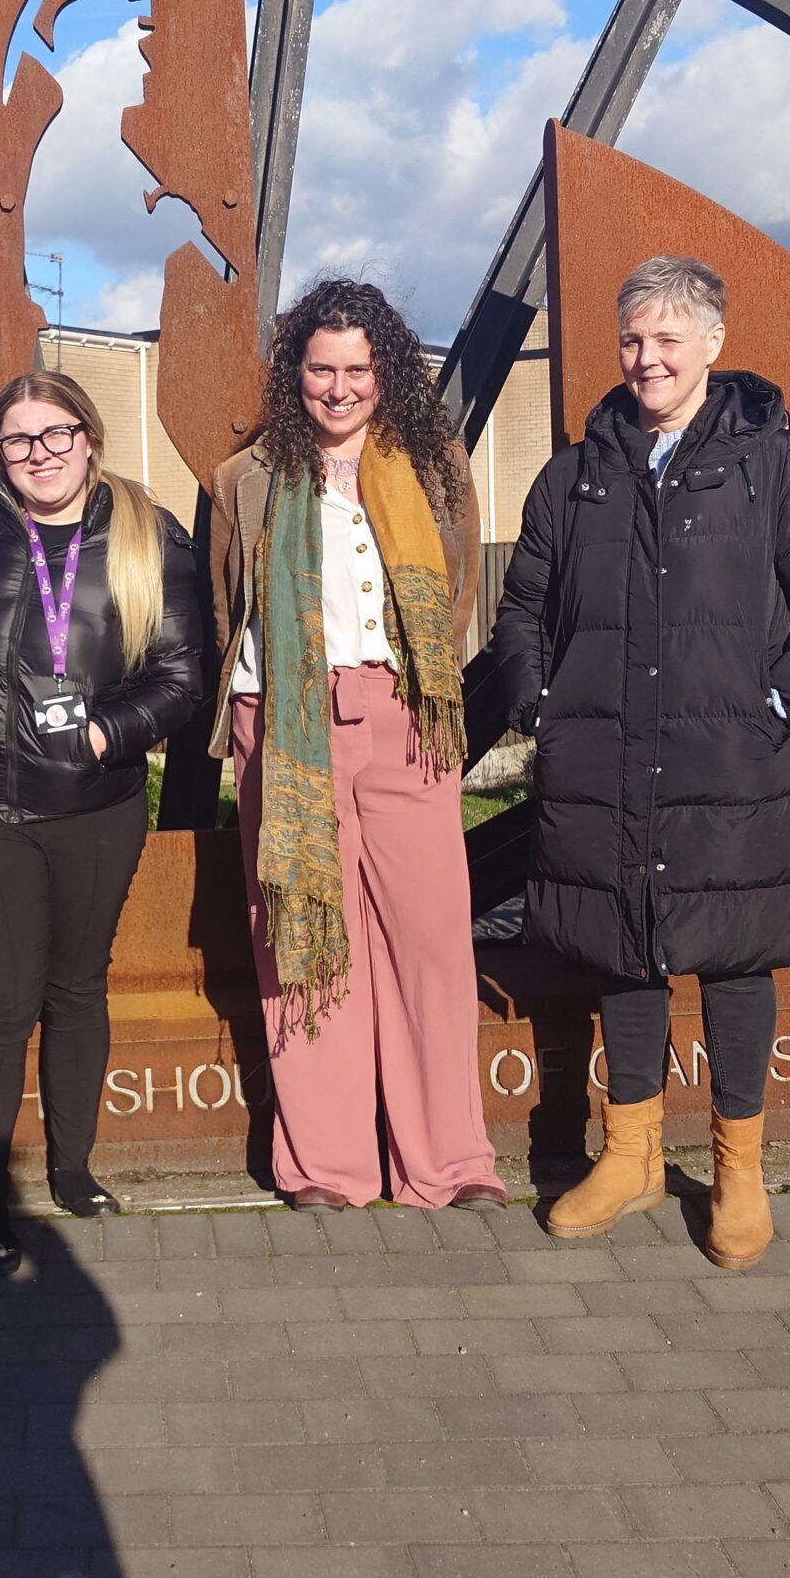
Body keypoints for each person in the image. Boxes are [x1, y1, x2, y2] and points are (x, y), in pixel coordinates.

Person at [487, 254, 790, 1269]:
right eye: (632, 339)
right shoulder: (574, 477)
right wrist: (538, 703)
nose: (647, 358)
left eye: (667, 338)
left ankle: (739, 1171)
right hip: (605, 759)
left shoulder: (779, 468)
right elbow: (524, 605)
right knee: (625, 951)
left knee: (737, 956)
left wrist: (784, 702)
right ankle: (630, 1156)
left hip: (732, 762)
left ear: (713, 342)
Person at [0, 370, 205, 1274]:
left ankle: (72, 1170)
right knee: (0, 1006)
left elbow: (182, 676)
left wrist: (105, 734)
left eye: (57, 432)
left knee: (77, 990)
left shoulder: (147, 533)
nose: (40, 454)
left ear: (88, 436)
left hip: (97, 807)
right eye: (19, 440)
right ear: (0, 453)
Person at [208, 279, 507, 1214]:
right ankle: (326, 1167)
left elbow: (455, 589)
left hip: (405, 714)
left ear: (387, 373)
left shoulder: (433, 466)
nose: (338, 389)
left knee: (431, 937)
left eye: (357, 370)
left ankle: (448, 1164)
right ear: (293, 372)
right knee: (304, 936)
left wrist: (410, 680)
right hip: (286, 719)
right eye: (320, 369)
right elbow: (226, 603)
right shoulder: (244, 477)